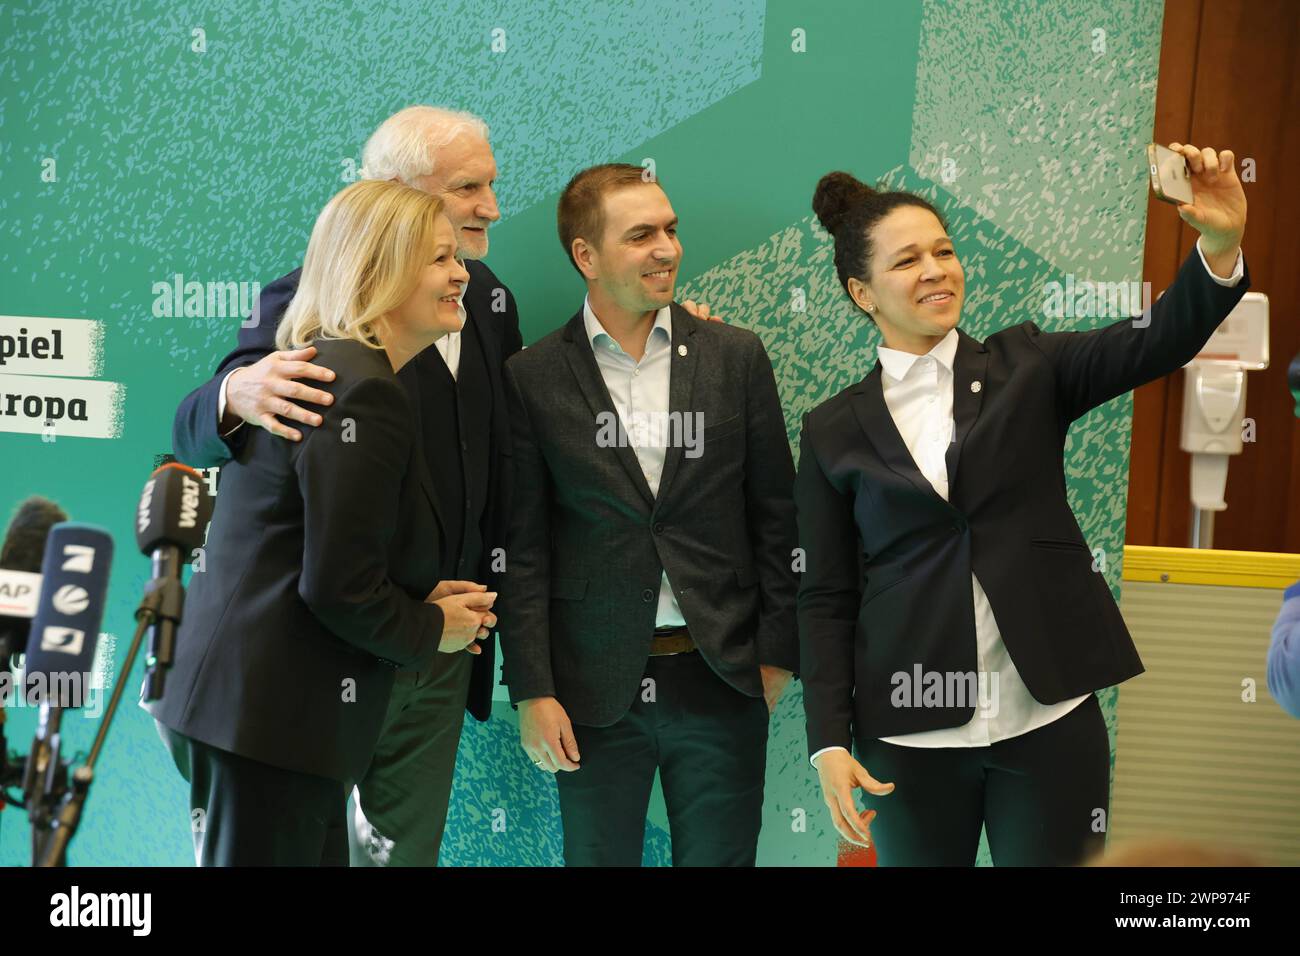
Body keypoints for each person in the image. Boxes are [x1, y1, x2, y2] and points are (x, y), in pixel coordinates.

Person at [170, 106, 721, 865]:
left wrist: (656, 343)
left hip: (439, 655)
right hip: (331, 659)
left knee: (399, 855)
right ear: (393, 197)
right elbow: (196, 425)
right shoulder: (322, 298)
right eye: (469, 188)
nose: (492, 207)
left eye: (491, 184)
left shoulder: (483, 298)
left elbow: (539, 414)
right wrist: (235, 392)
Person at [797, 142, 1249, 866]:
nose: (935, 270)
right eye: (907, 260)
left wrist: (1218, 244)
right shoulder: (829, 429)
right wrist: (826, 739)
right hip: (908, 734)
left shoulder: (1027, 365)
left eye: (943, 251)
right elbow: (823, 595)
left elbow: (1158, 340)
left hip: (1049, 715)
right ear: (863, 293)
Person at [151, 179, 496, 865]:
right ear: (380, 269)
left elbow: (325, 550)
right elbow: (337, 586)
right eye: (438, 259)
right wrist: (435, 627)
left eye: (458, 257)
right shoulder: (359, 386)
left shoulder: (342, 367)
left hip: (265, 719)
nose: (462, 273)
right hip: (266, 721)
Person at [501, 164, 798, 866]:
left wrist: (778, 656)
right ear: (586, 256)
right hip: (591, 690)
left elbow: (777, 519)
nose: (667, 248)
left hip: (721, 676)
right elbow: (524, 548)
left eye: (670, 229)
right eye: (641, 235)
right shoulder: (532, 377)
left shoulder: (735, 357)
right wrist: (533, 689)